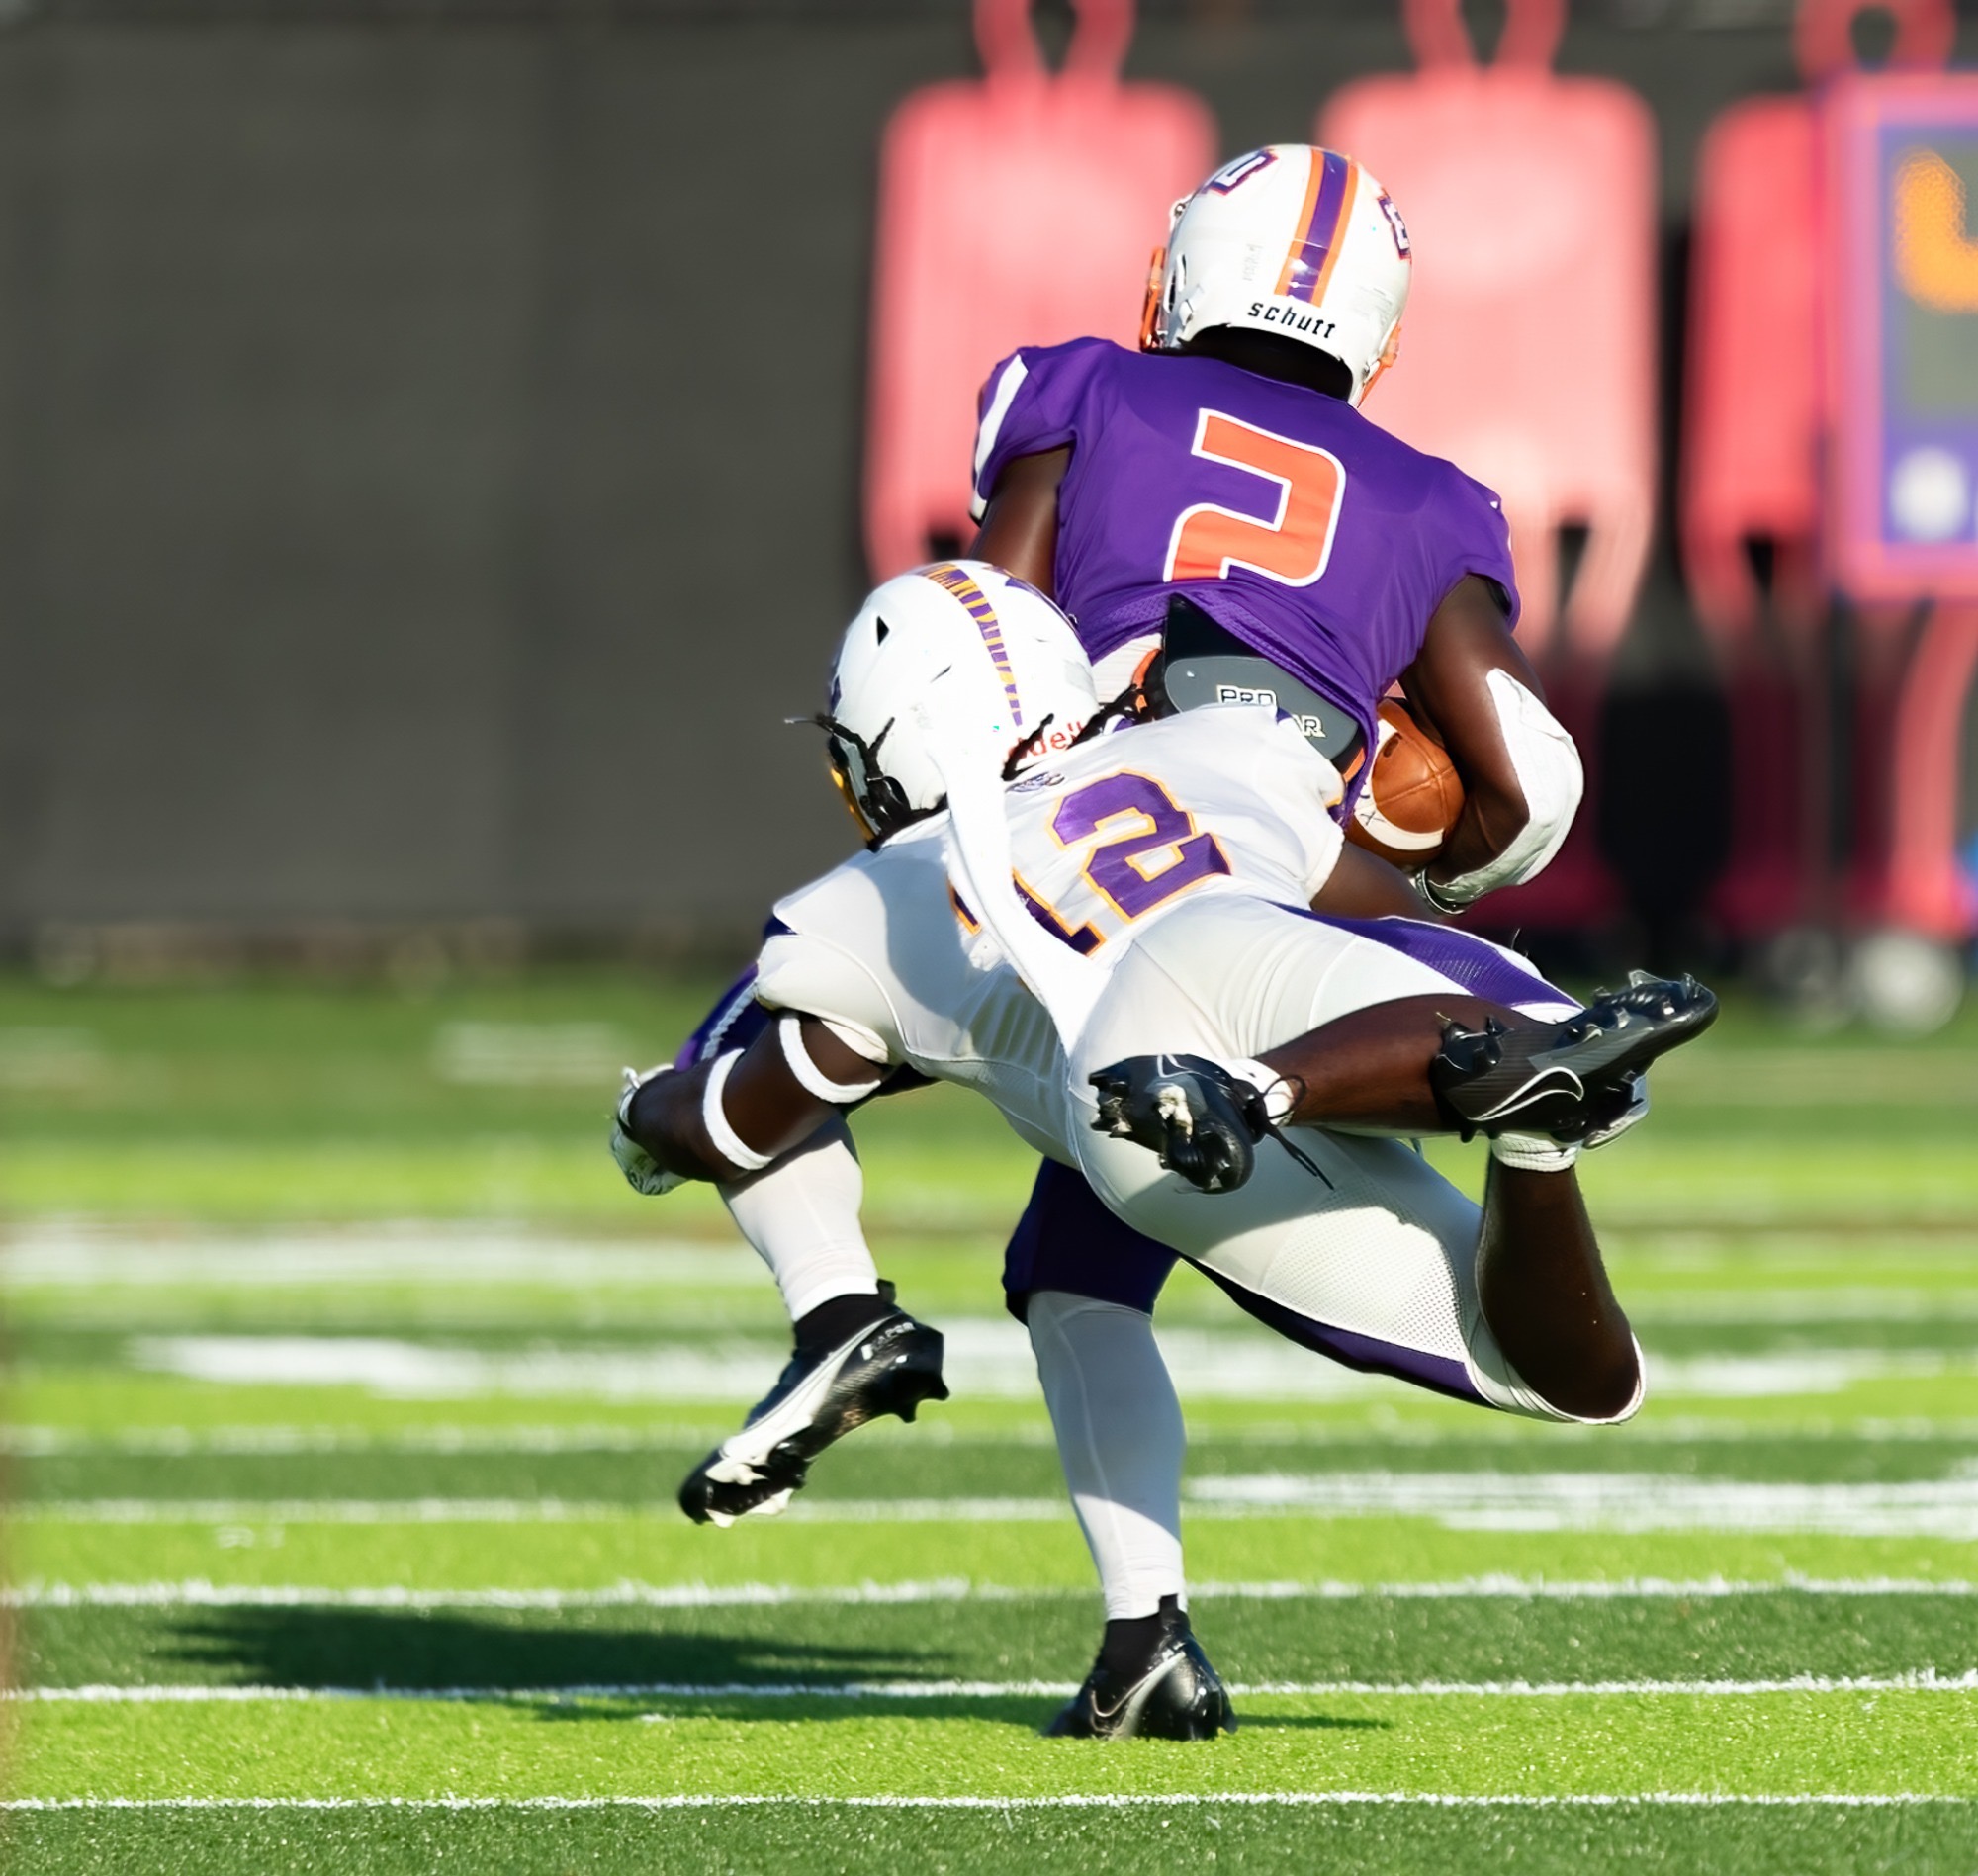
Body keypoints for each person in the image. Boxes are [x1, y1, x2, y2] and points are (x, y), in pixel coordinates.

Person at [659, 143, 1588, 1535]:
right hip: (1268, 869)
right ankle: (1142, 1638)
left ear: (1183, 266)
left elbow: (997, 634)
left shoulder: (1085, 386)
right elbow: (1526, 787)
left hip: (1076, 839)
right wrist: (1411, 842)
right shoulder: (1434, 502)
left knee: (751, 1056)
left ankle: (835, 1307)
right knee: (1084, 1252)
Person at [615, 565, 1714, 1738]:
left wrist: (642, 1116)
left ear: (891, 747)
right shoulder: (1215, 749)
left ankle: (1333, 1112)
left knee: (1576, 1383)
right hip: (1250, 964)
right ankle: (1482, 1094)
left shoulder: (868, 904)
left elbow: (738, 1122)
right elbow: (1380, 910)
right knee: (1493, 1090)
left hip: (1127, 1113)